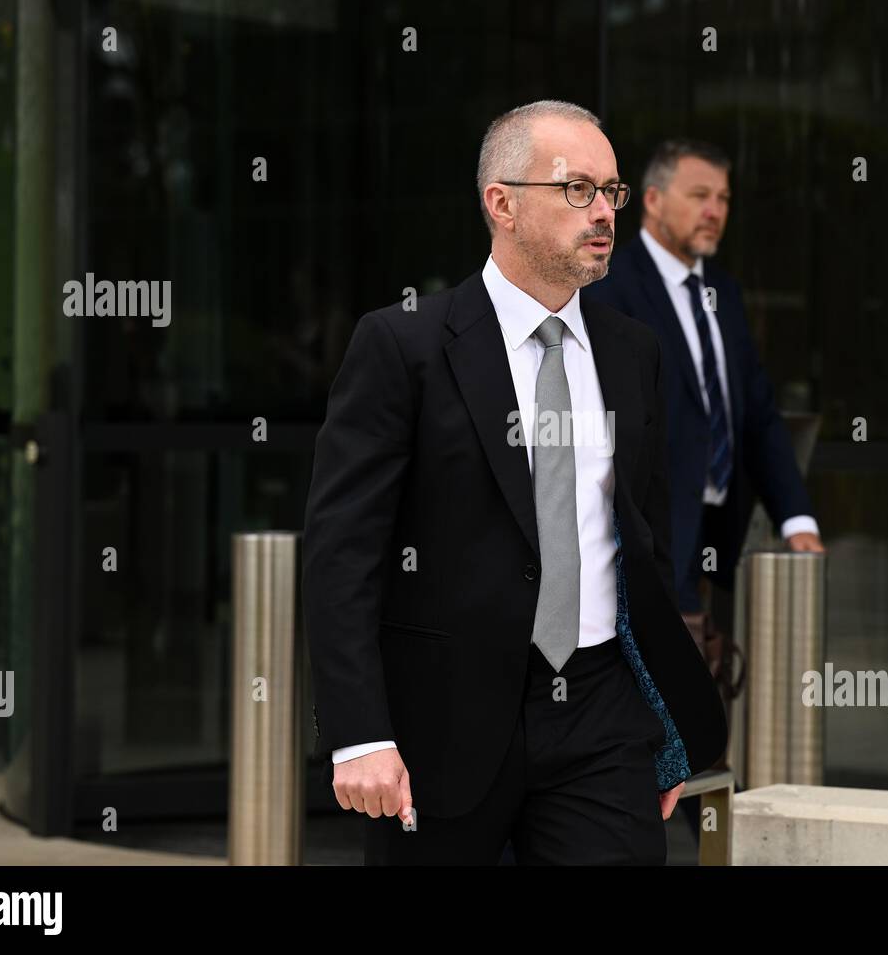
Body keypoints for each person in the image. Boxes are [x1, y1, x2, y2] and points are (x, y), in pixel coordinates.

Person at [301, 101, 727, 865]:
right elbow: (342, 559)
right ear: (501, 202)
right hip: (443, 719)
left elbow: (646, 546)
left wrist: (662, 718)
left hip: (601, 715)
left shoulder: (634, 353)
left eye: (612, 193)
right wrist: (359, 734)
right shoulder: (404, 347)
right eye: (578, 190)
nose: (603, 212)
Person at [585, 139, 824, 841]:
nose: (714, 211)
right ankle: (672, 835)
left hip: (719, 542)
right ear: (652, 201)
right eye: (699, 195)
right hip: (651, 539)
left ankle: (706, 835)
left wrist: (797, 517)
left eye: (722, 199)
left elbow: (756, 415)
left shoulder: (724, 293)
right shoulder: (610, 281)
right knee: (666, 696)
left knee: (704, 691)